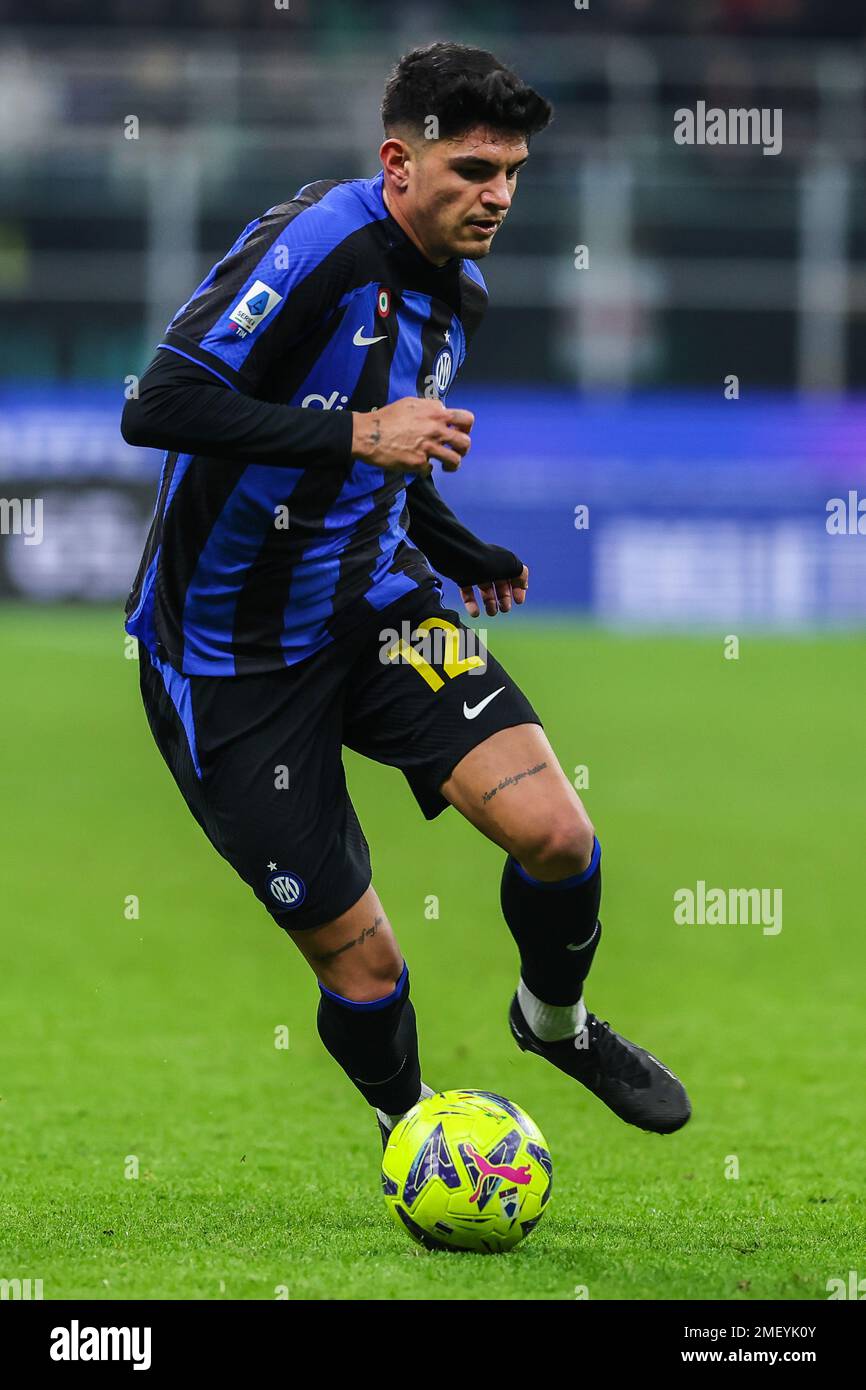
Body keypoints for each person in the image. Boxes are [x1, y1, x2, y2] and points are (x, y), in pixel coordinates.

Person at [121, 41, 690, 1154]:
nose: (499, 196)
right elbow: (160, 403)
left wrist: (449, 536)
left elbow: (381, 451)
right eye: (474, 169)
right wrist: (360, 433)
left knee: (556, 836)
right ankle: (410, 1130)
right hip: (228, 658)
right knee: (365, 959)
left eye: (514, 172)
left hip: (377, 606)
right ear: (398, 160)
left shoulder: (456, 298)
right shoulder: (317, 248)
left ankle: (553, 1022)